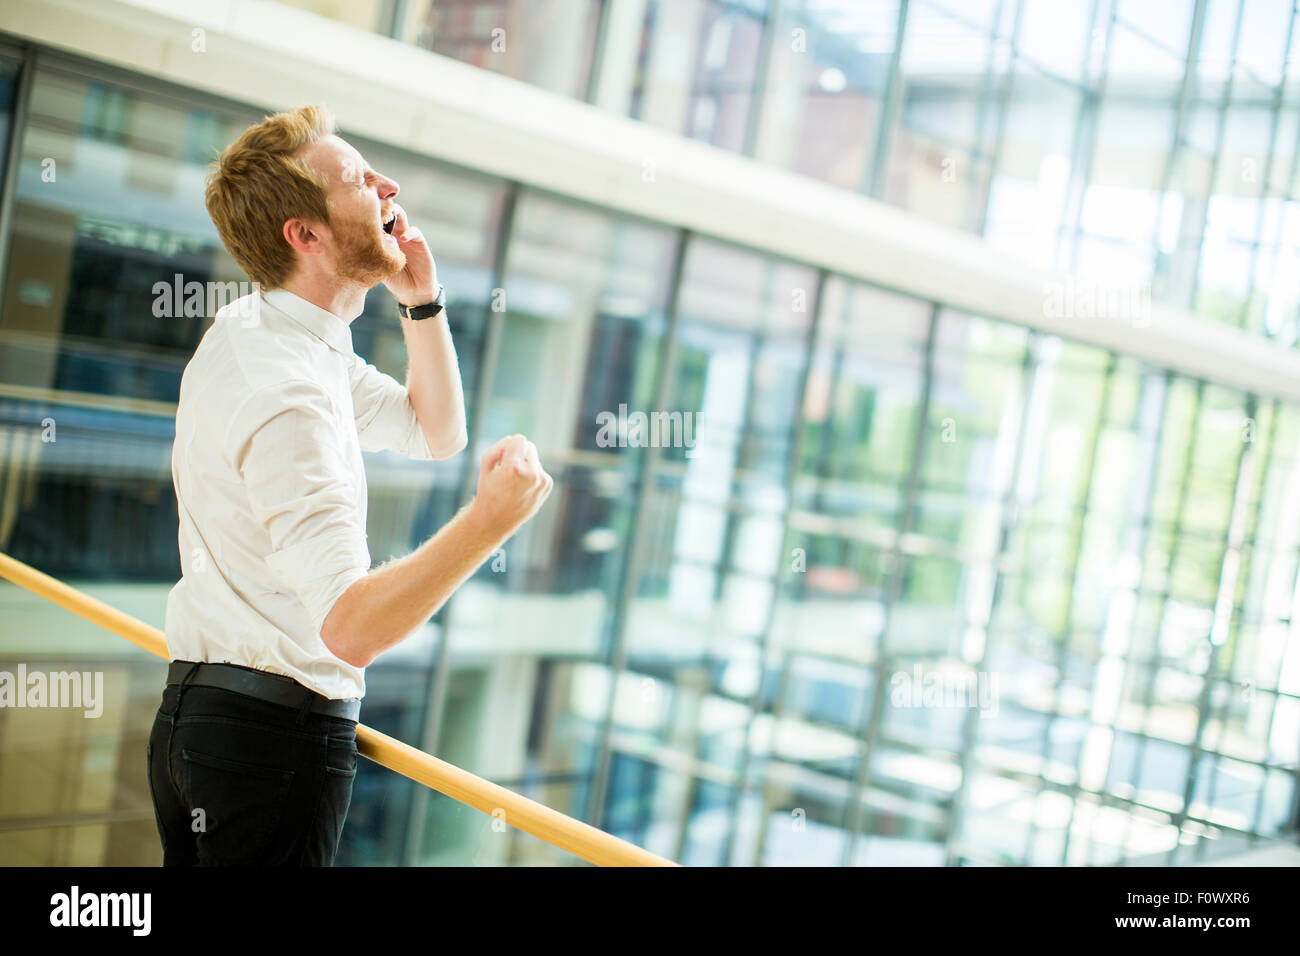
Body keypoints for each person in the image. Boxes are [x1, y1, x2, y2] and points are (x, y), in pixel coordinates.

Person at [146, 105, 552, 866]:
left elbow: (437, 431)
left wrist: (421, 299)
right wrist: (488, 524)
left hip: (207, 726)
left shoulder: (272, 335)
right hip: (269, 747)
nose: (388, 187)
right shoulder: (290, 391)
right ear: (307, 235)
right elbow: (350, 629)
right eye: (361, 183)